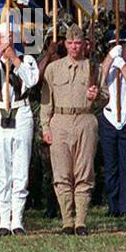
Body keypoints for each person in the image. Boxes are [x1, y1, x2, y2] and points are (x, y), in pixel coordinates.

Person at [0, 19, 40, 235]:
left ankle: (18, 220)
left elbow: (32, 80)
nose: (8, 42)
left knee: (21, 168)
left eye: (11, 38)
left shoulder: (27, 60)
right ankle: (4, 219)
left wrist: (15, 59)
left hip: (21, 112)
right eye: (4, 39)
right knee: (2, 168)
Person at [41, 24, 100, 235]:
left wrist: (97, 96)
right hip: (60, 121)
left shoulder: (93, 67)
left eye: (78, 43)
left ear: (85, 44)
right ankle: (67, 220)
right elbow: (46, 101)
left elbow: (106, 98)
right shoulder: (53, 69)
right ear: (65, 44)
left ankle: (81, 221)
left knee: (84, 173)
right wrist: (45, 126)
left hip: (85, 119)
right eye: (70, 43)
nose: (74, 47)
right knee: (62, 173)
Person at [97, 28, 126, 218]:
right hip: (108, 118)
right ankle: (113, 206)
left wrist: (122, 65)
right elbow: (98, 80)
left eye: (123, 45)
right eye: (114, 46)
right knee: (110, 166)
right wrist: (110, 60)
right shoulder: (103, 67)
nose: (120, 49)